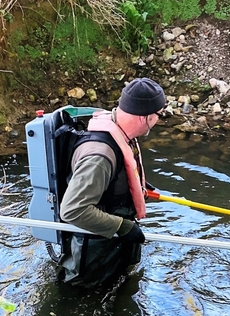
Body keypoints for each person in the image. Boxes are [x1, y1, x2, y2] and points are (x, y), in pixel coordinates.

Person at [57, 77, 167, 289]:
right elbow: (72, 210)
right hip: (93, 255)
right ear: (145, 117)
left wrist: (136, 183)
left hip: (111, 243)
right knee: (85, 303)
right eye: (159, 115)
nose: (159, 121)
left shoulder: (121, 131)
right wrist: (122, 226)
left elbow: (117, 172)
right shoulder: (99, 156)